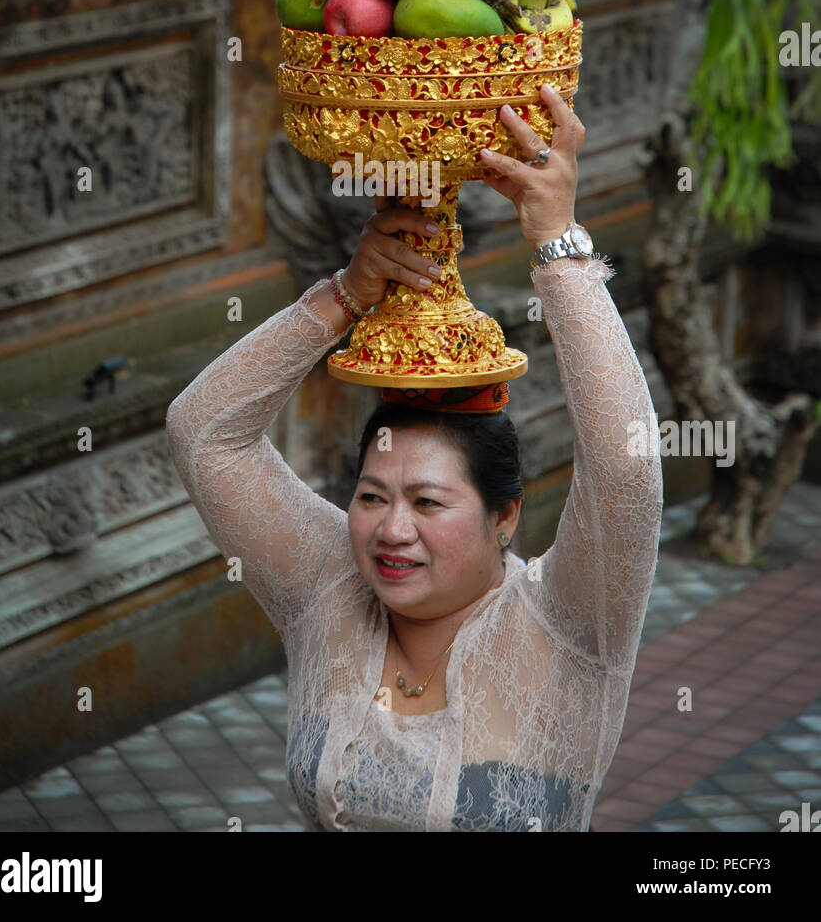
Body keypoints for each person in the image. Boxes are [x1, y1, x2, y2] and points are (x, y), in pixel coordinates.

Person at [166, 86, 663, 831]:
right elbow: (202, 433)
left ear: (506, 517)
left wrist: (559, 248)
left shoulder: (568, 623)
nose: (391, 530)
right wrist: (346, 294)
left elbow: (625, 469)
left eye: (428, 502)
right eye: (372, 497)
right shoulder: (327, 590)